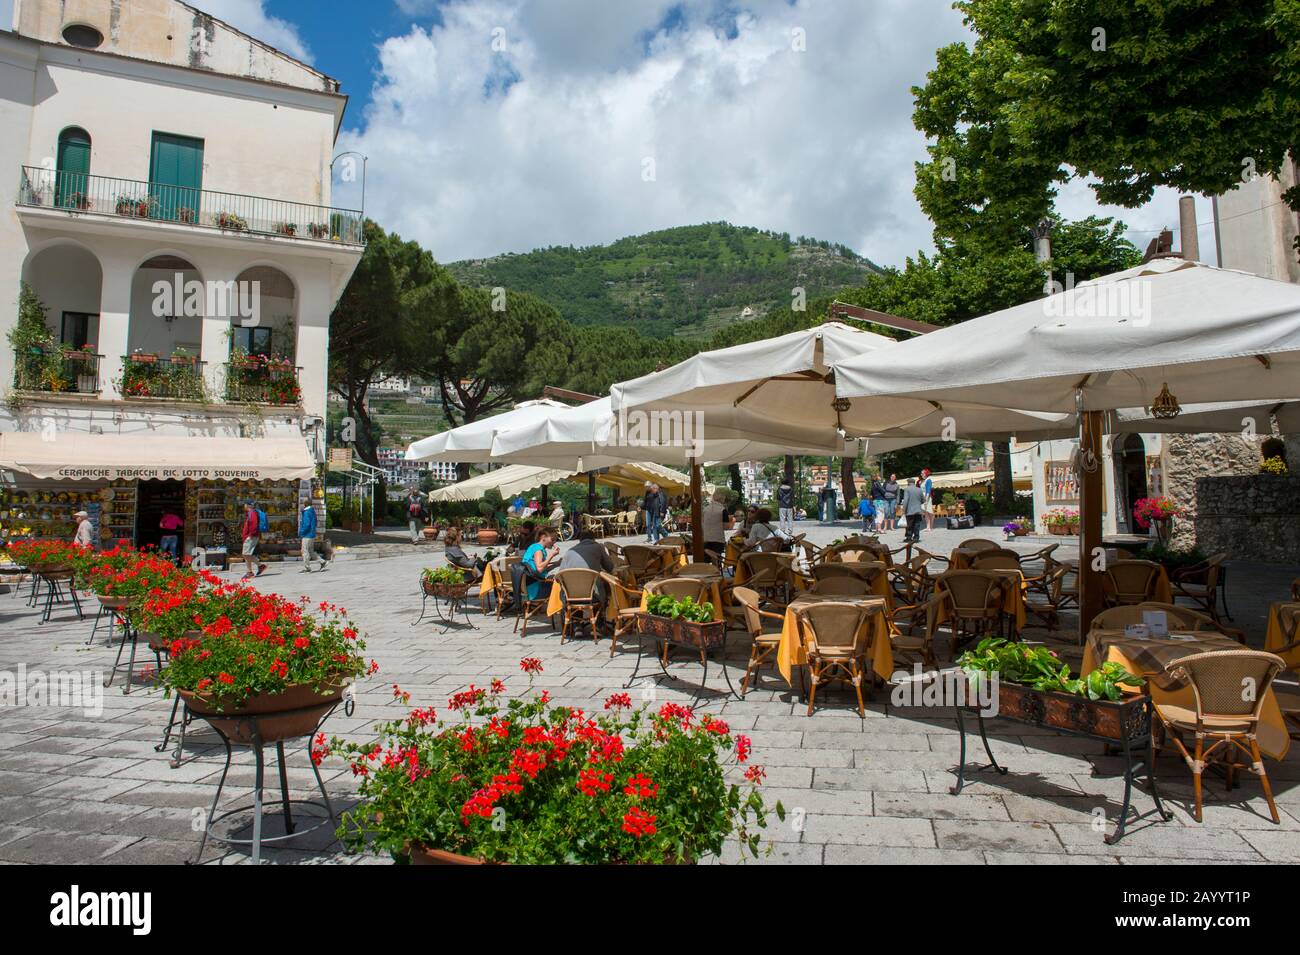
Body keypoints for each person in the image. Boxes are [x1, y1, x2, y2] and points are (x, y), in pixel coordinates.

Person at [514, 527, 560, 605]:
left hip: (526, 588)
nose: (554, 542)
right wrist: (551, 555)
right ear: (543, 537)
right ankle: (561, 613)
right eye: (552, 539)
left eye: (555, 540)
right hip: (533, 591)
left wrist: (556, 564)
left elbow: (538, 569)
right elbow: (539, 569)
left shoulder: (534, 546)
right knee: (560, 586)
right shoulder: (538, 550)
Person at [701, 488, 734, 555]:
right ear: (723, 498)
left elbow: (702, 523)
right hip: (718, 540)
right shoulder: (722, 510)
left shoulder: (705, 509)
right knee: (717, 560)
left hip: (706, 539)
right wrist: (729, 520)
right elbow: (726, 527)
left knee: (706, 562)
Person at [239, 500, 265, 580]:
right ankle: (257, 568)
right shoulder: (250, 513)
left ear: (248, 505)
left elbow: (254, 525)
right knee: (247, 554)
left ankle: (254, 570)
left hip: (251, 536)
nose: (244, 506)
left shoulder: (252, 513)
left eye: (245, 504)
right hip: (250, 536)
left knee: (245, 554)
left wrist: (250, 535)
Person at [299, 501, 325, 572]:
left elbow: (306, 525)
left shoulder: (306, 512)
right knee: (310, 551)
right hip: (312, 534)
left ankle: (307, 568)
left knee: (305, 551)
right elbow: (315, 522)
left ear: (305, 505)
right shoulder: (312, 511)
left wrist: (301, 532)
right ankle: (322, 562)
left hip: (307, 535)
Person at [901, 477, 927, 544]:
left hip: (910, 511)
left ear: (908, 483)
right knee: (917, 524)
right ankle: (916, 537)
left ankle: (909, 537)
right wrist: (918, 503)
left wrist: (904, 510)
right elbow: (923, 500)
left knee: (909, 525)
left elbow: (906, 501)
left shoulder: (907, 489)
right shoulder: (919, 490)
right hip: (918, 510)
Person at [921, 467, 935, 532]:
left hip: (927, 498)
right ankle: (928, 526)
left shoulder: (928, 480)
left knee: (929, 512)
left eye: (922, 473)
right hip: (924, 498)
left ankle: (930, 527)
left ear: (925, 474)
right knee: (926, 513)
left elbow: (928, 491)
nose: (921, 474)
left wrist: (926, 500)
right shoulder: (925, 480)